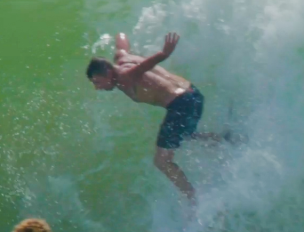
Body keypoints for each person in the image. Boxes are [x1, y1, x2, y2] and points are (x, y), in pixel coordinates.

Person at [86, 32, 228, 204]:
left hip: (180, 104)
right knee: (185, 135)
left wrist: (164, 54)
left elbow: (142, 68)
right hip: (193, 95)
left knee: (162, 161)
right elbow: (121, 43)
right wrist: (120, 34)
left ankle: (194, 200)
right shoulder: (122, 58)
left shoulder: (124, 77)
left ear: (108, 73)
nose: (97, 87)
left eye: (98, 82)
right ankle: (227, 140)